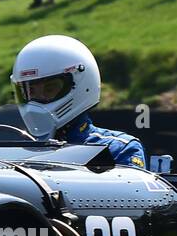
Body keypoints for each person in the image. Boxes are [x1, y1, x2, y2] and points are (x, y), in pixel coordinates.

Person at [10, 35, 146, 168]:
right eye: (30, 92)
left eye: (49, 89)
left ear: (80, 82)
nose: (36, 101)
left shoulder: (117, 149)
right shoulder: (11, 149)